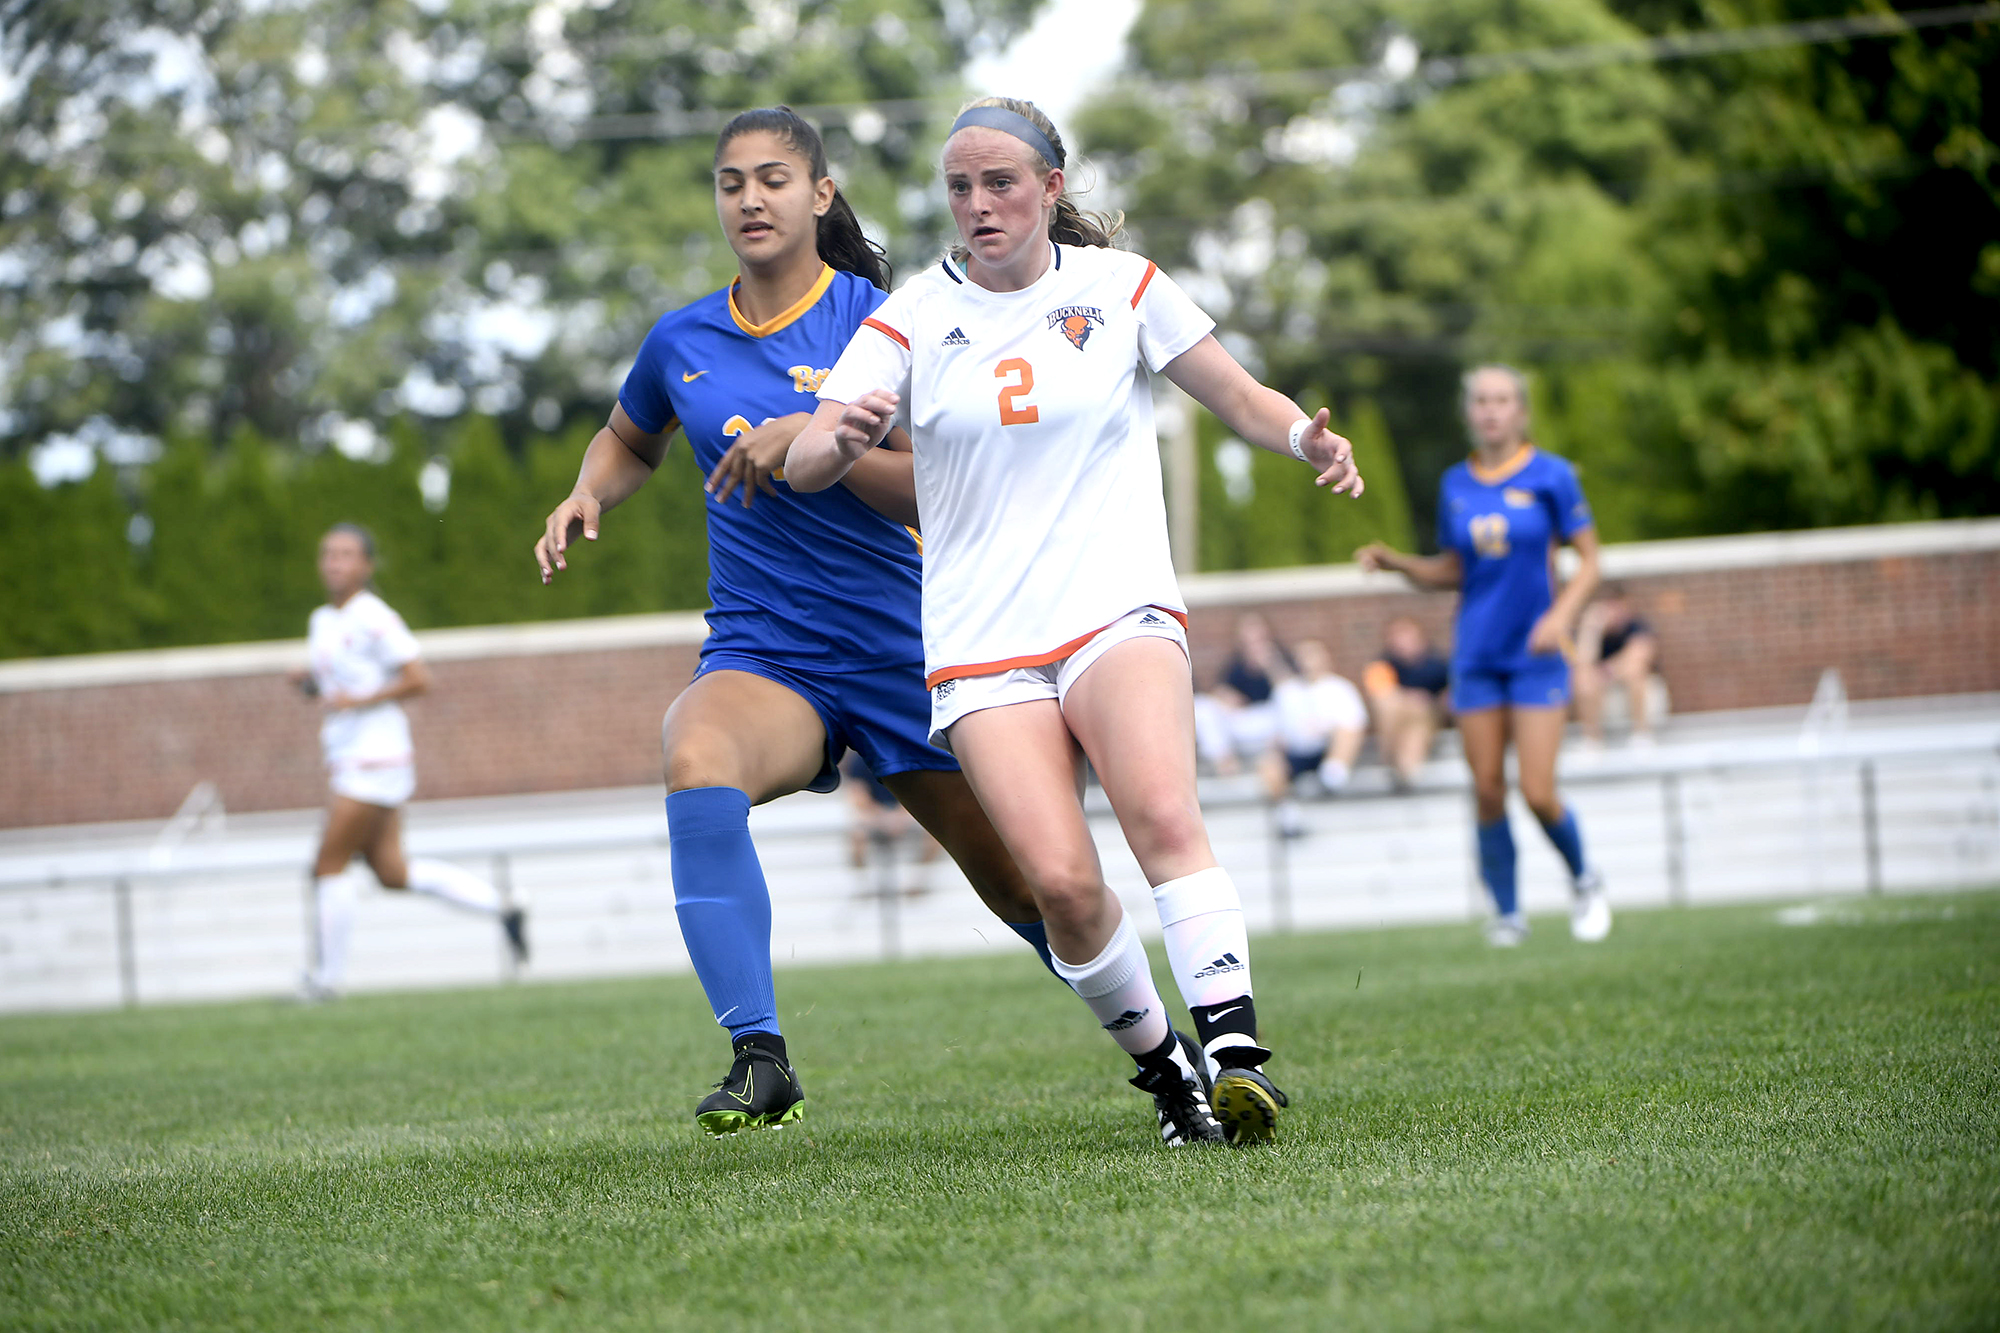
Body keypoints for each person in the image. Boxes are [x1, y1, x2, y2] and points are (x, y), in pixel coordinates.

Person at [789, 96, 1365, 1144]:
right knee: (1059, 884)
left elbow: (1239, 398)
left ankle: (1236, 1051)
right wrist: (844, 435)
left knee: (1158, 814)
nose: (977, 204)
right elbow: (805, 457)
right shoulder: (911, 315)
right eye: (958, 187)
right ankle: (1169, 1077)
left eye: (999, 182)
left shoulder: (1122, 287)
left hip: (1114, 608)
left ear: (1051, 189)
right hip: (980, 641)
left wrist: (1304, 442)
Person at [532, 107, 1062, 1138]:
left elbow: (931, 492)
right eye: (730, 182)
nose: (749, 199)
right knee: (694, 751)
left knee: (1025, 881)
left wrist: (816, 439)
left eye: (772, 178)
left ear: (819, 194)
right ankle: (758, 1054)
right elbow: (629, 437)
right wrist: (588, 492)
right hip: (765, 650)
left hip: (906, 648)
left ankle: (1167, 1047)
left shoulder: (893, 320)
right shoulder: (680, 338)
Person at [1357, 365, 1611, 945]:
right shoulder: (1455, 484)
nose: (1492, 410)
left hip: (1536, 656)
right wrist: (1399, 564)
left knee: (1538, 791)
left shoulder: (1553, 475)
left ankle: (1584, 879)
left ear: (1520, 412)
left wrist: (1561, 616)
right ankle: (1507, 913)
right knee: (1489, 787)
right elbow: (1453, 571)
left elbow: (1591, 562)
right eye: (1481, 401)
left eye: (1502, 400)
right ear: (1469, 412)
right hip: (1475, 656)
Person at [293, 524, 527, 999]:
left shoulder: (374, 616)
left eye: (345, 554)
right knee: (392, 873)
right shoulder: (323, 619)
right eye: (328, 554)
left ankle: (325, 983)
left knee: (328, 864)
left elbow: (420, 678)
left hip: (375, 758)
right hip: (349, 758)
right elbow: (339, 687)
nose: (334, 562)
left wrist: (358, 702)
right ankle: (503, 907)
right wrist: (308, 684)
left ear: (366, 566)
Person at [1261, 639, 1367, 837]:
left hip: (1327, 749)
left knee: (1347, 733)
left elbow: (1354, 725)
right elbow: (1276, 732)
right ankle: (1288, 814)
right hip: (1297, 752)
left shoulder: (1340, 688)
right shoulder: (1285, 691)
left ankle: (1333, 775)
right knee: (1268, 763)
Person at [1192, 613, 1291, 776]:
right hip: (1245, 720)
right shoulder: (1236, 663)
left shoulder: (1280, 656)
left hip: (1274, 721)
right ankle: (1224, 762)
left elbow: (1291, 691)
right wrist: (1228, 698)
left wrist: (1271, 665)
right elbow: (1220, 691)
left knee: (1289, 694)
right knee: (1203, 706)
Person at [1360, 617, 1451, 790]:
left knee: (1416, 728)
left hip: (1427, 718)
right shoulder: (1383, 663)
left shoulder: (1437, 663)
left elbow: (1449, 696)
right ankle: (1400, 767)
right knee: (1393, 705)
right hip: (1399, 719)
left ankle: (1399, 768)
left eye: (1406, 635)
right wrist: (1411, 699)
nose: (1401, 641)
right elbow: (1379, 692)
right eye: (1396, 636)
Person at [1575, 584, 1660, 746]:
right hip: (1600, 679)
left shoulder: (1637, 625)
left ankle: (1641, 735)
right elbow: (1582, 661)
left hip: (1622, 674)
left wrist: (1608, 670)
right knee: (1582, 678)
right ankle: (1592, 740)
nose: (1616, 612)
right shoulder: (1596, 628)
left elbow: (1641, 653)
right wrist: (1591, 629)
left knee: (1635, 669)